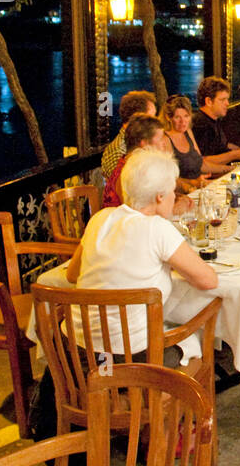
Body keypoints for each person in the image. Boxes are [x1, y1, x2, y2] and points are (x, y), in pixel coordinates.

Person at [66, 147, 218, 366]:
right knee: (193, 341)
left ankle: (99, 392)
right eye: (173, 191)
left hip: (77, 353)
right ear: (160, 196)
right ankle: (153, 397)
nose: (175, 196)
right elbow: (208, 281)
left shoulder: (101, 218)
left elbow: (72, 275)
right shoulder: (157, 228)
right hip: (130, 359)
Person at [102, 114, 172, 209]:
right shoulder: (128, 171)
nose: (164, 143)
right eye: (160, 139)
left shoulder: (139, 166)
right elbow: (137, 213)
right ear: (144, 144)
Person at [162, 95, 230, 187]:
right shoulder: (165, 140)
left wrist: (230, 169)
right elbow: (168, 179)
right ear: (168, 117)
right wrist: (193, 184)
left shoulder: (188, 132)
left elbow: (201, 164)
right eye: (177, 117)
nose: (183, 121)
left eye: (186, 116)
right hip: (186, 191)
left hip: (202, 185)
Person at [192, 77, 240, 163]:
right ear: (209, 101)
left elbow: (222, 145)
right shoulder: (200, 124)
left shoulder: (215, 120)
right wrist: (236, 155)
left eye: (227, 99)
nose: (227, 103)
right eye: (222, 100)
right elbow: (203, 161)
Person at [101, 90, 157, 180]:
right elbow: (126, 189)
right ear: (135, 118)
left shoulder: (140, 143)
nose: (154, 123)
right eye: (150, 118)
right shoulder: (118, 151)